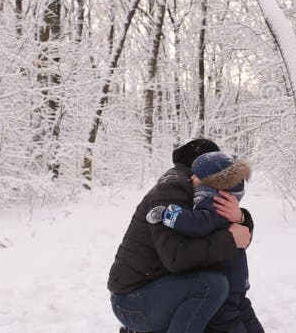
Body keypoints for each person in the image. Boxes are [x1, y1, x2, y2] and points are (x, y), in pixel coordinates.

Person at [108, 139, 254, 333]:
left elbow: (219, 223)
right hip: (132, 301)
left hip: (160, 288)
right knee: (211, 286)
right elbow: (176, 257)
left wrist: (241, 217)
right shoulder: (172, 189)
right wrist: (230, 239)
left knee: (225, 294)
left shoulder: (199, 193)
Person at [148, 151, 264, 333]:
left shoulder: (213, 203)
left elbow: (198, 223)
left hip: (224, 275)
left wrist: (167, 214)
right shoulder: (227, 202)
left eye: (196, 175)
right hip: (236, 275)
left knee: (226, 320)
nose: (191, 178)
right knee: (243, 311)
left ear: (211, 181)